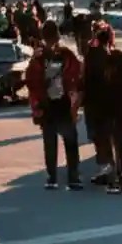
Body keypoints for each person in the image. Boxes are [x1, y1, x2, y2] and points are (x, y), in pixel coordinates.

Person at [26, 19, 83, 190]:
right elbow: (77, 73)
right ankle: (70, 177)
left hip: (51, 104)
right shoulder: (62, 54)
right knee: (68, 142)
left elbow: (31, 80)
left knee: (54, 143)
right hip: (58, 104)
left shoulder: (42, 56)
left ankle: (54, 177)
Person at [83, 23, 122, 193]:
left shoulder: (92, 57)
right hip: (117, 106)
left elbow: (87, 83)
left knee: (104, 141)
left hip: (100, 107)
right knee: (119, 141)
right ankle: (119, 176)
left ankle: (110, 174)